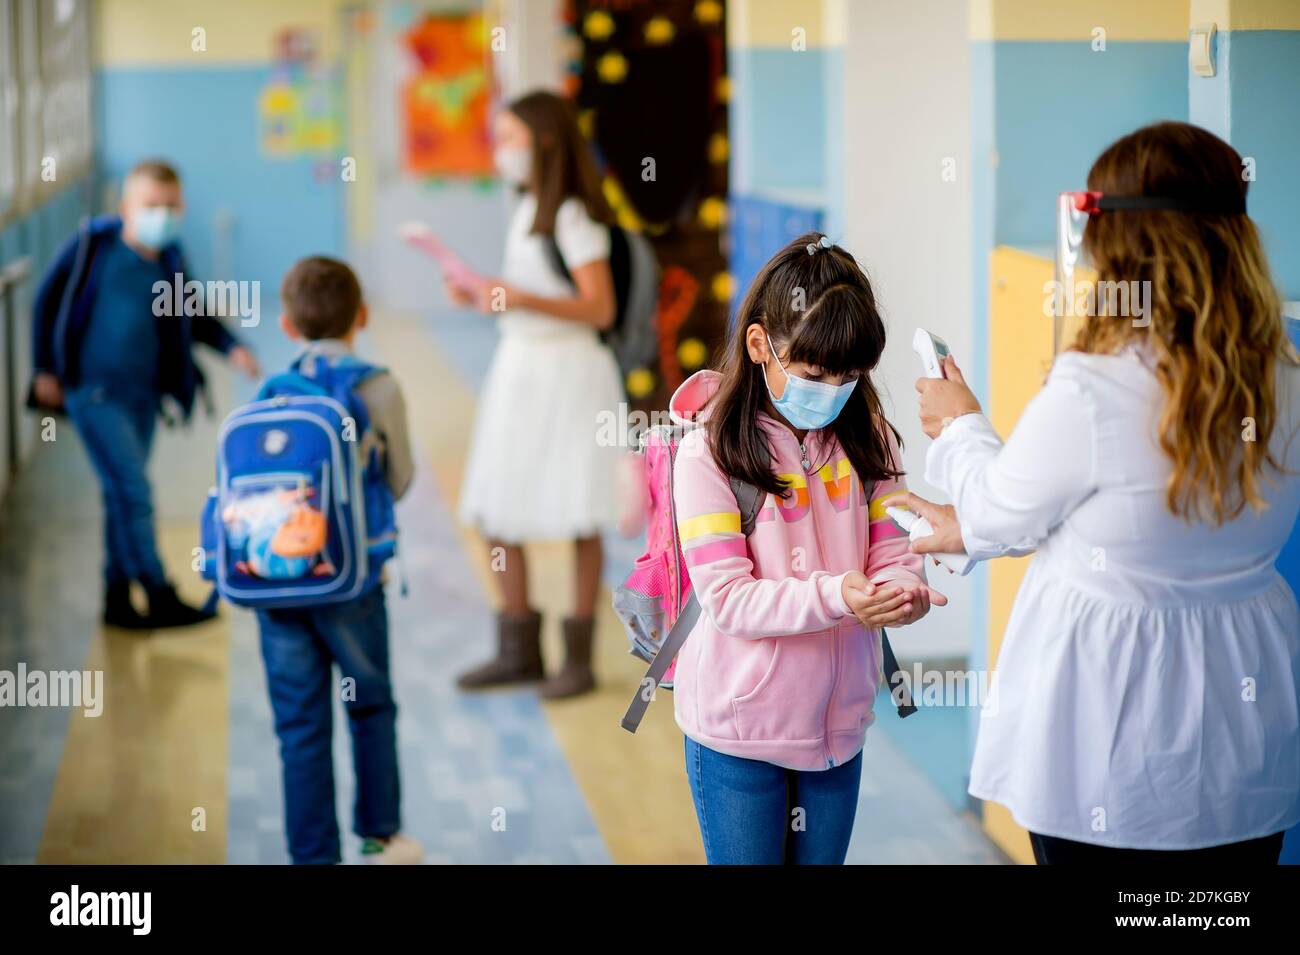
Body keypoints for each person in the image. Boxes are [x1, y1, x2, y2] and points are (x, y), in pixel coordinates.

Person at [898, 121, 1300, 863]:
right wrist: (969, 523)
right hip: (1248, 707)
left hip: (1110, 722)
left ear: (1121, 242)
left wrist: (959, 425)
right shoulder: (1286, 376)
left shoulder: (1096, 387)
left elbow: (999, 512)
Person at [668, 234, 945, 864]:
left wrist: (903, 593)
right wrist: (839, 595)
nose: (833, 391)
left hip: (838, 730)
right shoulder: (710, 452)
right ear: (759, 345)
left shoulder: (872, 439)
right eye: (815, 375)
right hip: (738, 733)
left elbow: (893, 551)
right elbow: (728, 599)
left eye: (850, 377)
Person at [30, 159, 260, 629]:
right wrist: (43, 368)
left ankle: (117, 598)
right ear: (125, 207)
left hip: (144, 398)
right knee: (134, 492)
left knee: (120, 495)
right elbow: (45, 301)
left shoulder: (170, 259)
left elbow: (193, 314)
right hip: (94, 393)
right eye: (151, 205)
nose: (162, 215)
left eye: (171, 206)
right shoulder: (92, 248)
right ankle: (159, 592)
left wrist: (232, 347)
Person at [451, 91, 625, 699]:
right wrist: (485, 296)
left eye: (509, 138)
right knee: (494, 504)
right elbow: (531, 294)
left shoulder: (574, 215)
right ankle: (518, 648)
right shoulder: (527, 206)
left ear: (545, 142)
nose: (499, 151)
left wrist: (520, 297)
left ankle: (578, 659)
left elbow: (599, 308)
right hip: (521, 369)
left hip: (571, 374)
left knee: (580, 511)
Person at [255, 256, 420, 865]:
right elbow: (399, 480)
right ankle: (379, 837)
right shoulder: (380, 386)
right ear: (363, 316)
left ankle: (313, 856)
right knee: (370, 706)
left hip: (280, 584)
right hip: (353, 581)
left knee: (299, 728)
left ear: (287, 325)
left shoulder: (273, 390)